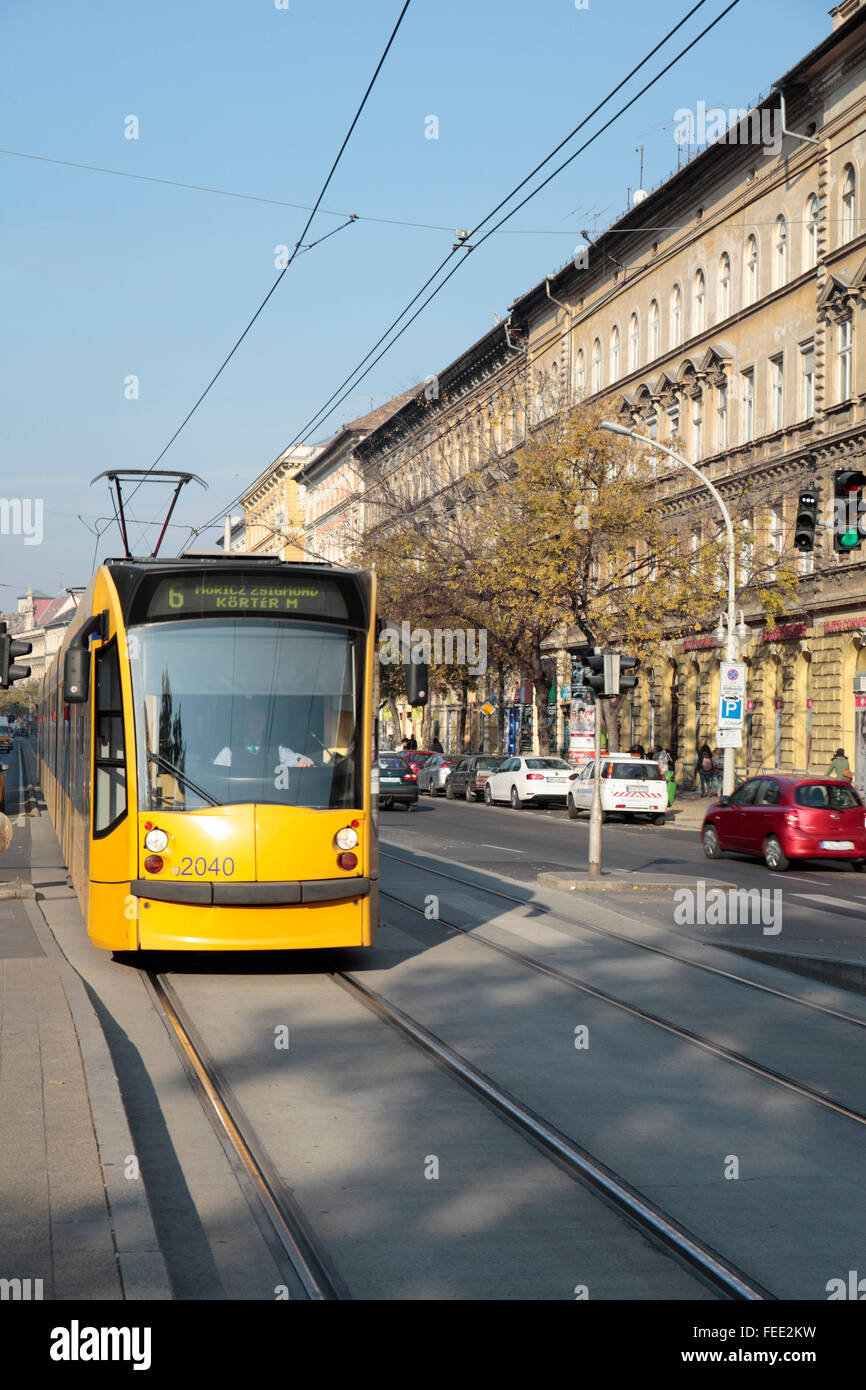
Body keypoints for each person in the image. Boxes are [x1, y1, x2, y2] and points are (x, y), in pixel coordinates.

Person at [213, 706, 313, 768]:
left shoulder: (277, 750)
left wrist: (303, 763)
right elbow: (215, 774)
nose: (255, 725)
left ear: (264, 724)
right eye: (251, 721)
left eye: (259, 722)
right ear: (245, 722)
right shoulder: (228, 751)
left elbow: (306, 761)